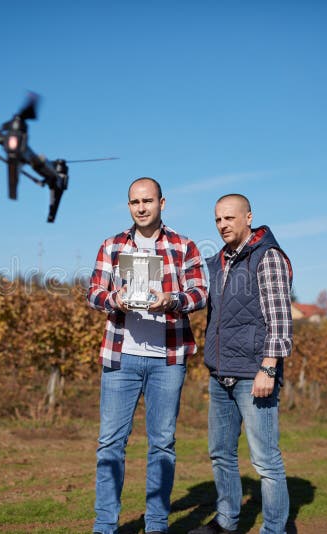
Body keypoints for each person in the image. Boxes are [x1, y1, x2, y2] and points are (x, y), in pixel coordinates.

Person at [86, 177, 208, 534]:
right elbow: (93, 292)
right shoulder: (111, 245)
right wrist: (114, 299)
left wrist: (172, 300)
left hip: (167, 360)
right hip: (121, 357)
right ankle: (104, 526)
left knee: (162, 445)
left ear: (162, 203)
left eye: (148, 201)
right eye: (135, 202)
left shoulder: (184, 246)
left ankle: (156, 525)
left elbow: (201, 293)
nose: (141, 208)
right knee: (110, 444)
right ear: (129, 206)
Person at [190, 194, 293, 534]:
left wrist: (268, 367)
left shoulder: (267, 256)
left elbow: (280, 319)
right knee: (221, 454)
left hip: (254, 375)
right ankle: (226, 521)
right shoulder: (217, 262)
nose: (223, 225)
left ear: (248, 217)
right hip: (220, 374)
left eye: (229, 218)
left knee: (265, 460)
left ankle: (274, 529)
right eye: (218, 220)